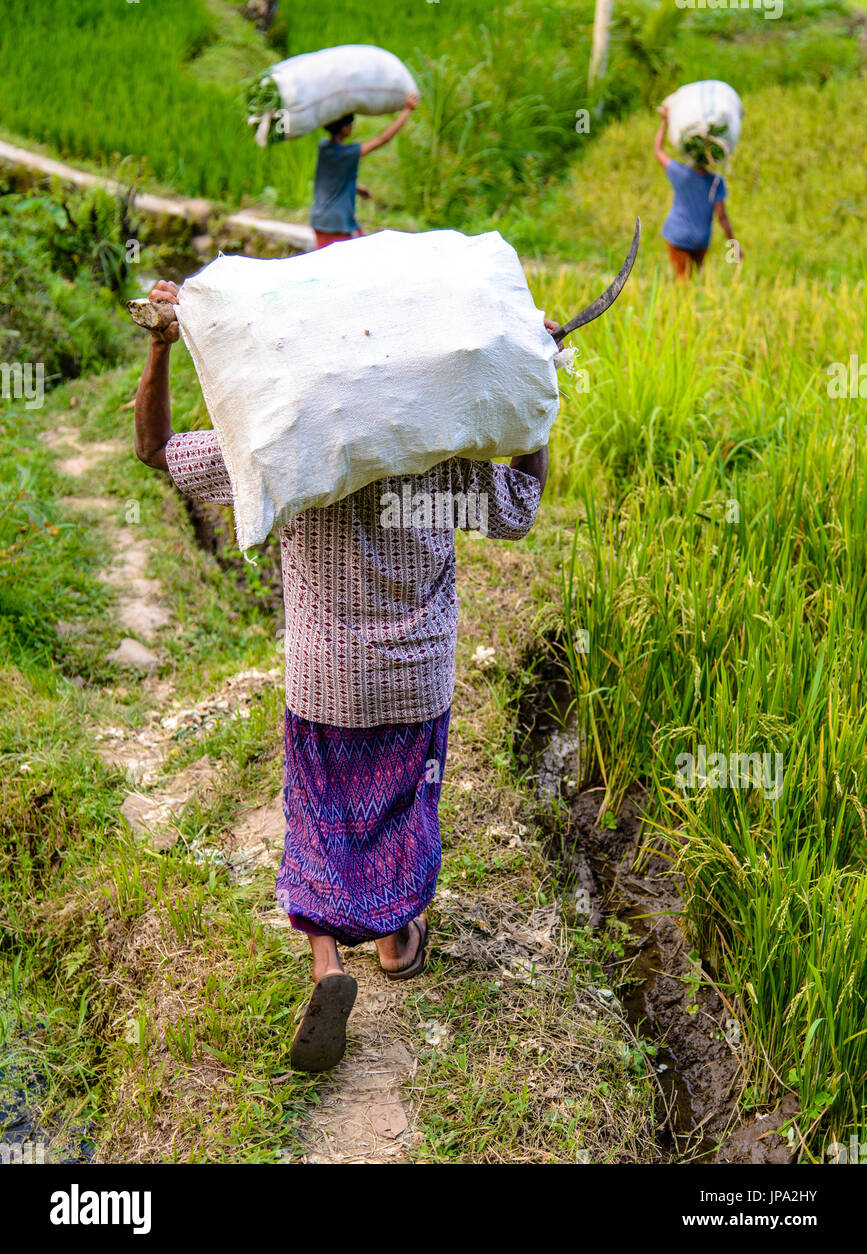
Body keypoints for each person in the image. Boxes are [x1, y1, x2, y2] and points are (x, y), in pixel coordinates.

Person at [133, 278, 556, 1073]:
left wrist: (160, 347)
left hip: (326, 678)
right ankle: (396, 941)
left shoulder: (289, 457)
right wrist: (535, 387)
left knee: (319, 814)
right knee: (402, 808)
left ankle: (327, 965)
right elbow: (524, 502)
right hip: (414, 676)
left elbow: (154, 451)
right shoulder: (439, 460)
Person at [310, 93, 419, 250]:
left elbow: (332, 178)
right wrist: (406, 111)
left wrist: (356, 188)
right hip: (336, 224)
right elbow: (382, 139)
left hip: (323, 220)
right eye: (351, 123)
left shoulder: (324, 147)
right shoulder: (347, 153)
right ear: (344, 128)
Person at [653, 107, 741, 281]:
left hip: (678, 235)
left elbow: (657, 150)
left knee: (682, 281)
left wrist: (664, 121)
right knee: (694, 281)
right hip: (701, 240)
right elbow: (722, 217)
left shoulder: (680, 173)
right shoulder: (716, 182)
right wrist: (733, 246)